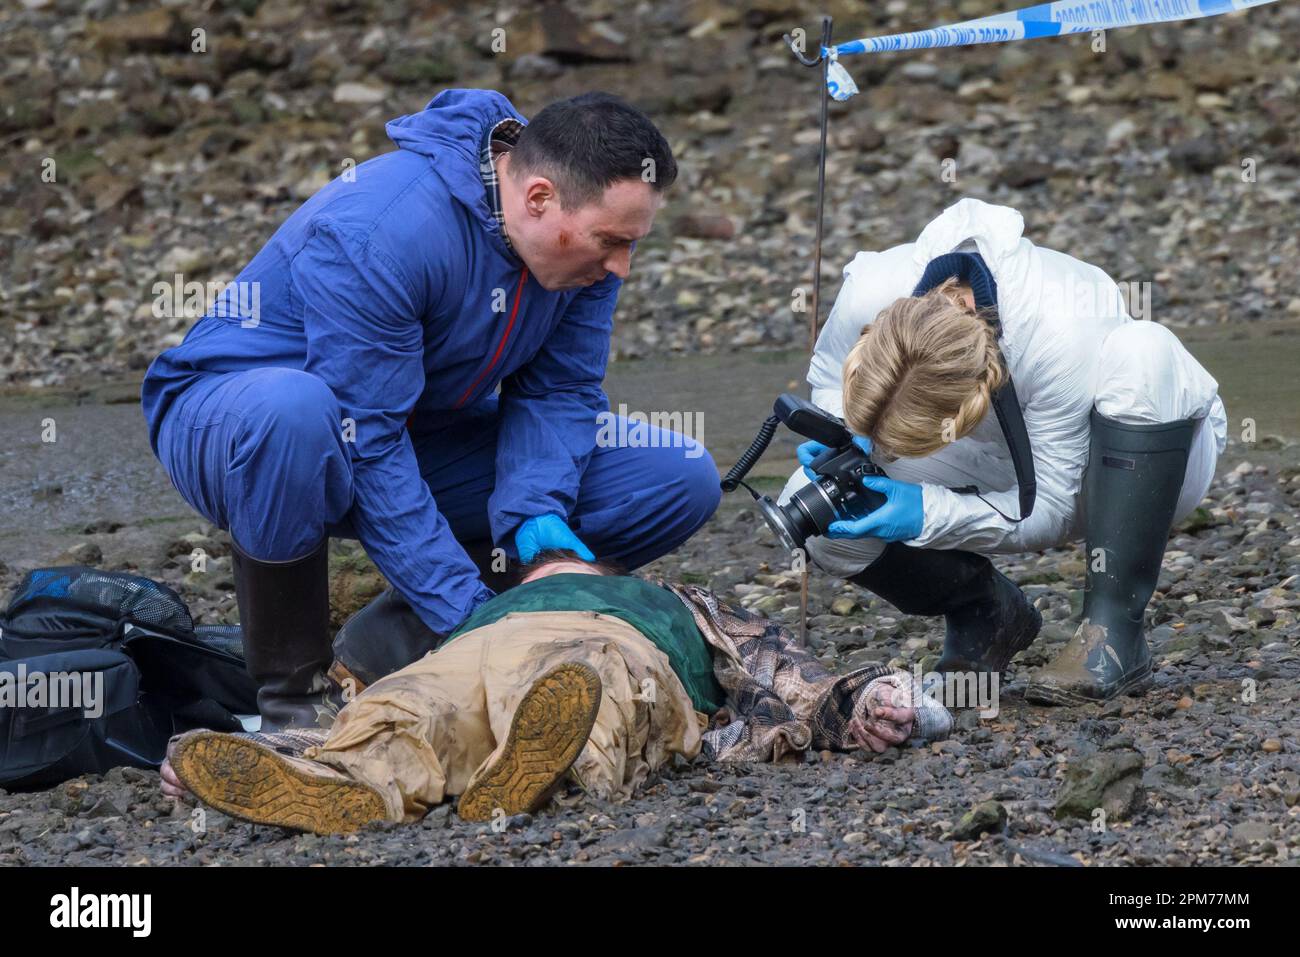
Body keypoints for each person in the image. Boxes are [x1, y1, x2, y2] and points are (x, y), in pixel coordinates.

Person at [139, 89, 721, 732]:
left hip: (412, 433)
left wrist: (537, 521)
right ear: (537, 198)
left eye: (633, 243)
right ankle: (295, 700)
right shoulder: (381, 232)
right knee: (295, 411)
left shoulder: (582, 260)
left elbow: (559, 393)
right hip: (239, 426)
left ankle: (377, 655)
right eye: (611, 242)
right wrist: (472, 615)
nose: (622, 267)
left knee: (676, 476)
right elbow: (368, 437)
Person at [782, 198, 1226, 703]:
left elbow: (1053, 512)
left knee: (1144, 353)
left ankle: (1112, 633)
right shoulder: (872, 288)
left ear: (972, 399)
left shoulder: (1060, 323)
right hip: (986, 457)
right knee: (814, 507)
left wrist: (928, 514)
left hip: (1127, 470)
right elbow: (826, 378)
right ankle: (987, 613)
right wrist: (840, 431)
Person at [162, 552, 952, 834]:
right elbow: (347, 696)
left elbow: (787, 674)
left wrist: (868, 698)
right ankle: (343, 783)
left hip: (607, 650)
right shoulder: (474, 610)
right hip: (473, 654)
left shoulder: (676, 600)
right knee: (402, 709)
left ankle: (537, 768)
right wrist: (242, 753)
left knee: (584, 687)